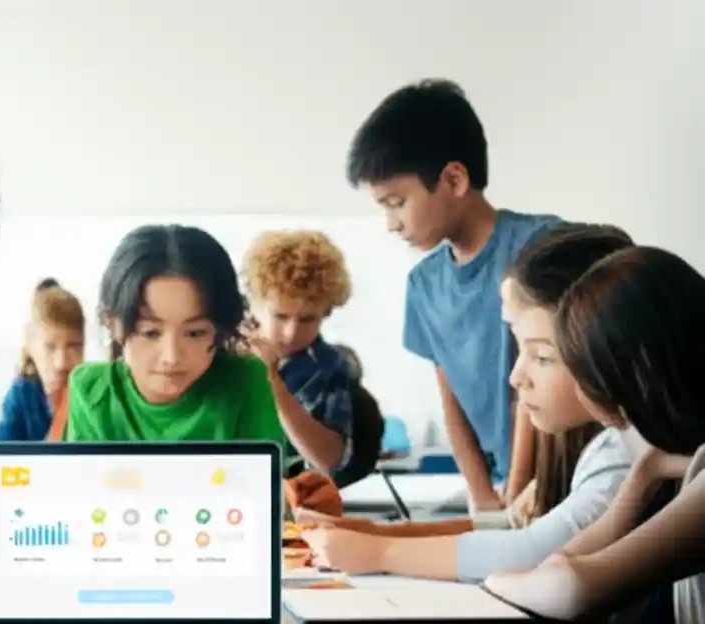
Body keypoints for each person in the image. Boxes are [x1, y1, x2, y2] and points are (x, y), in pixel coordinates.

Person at [303, 223, 634, 582]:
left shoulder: (623, 454)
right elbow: (506, 528)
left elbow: (530, 550)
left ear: (605, 350)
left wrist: (378, 551)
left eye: (541, 356)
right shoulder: (582, 449)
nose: (515, 377)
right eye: (519, 348)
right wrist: (368, 532)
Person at [484, 247, 705, 624]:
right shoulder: (665, 460)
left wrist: (496, 580)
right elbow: (564, 566)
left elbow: (572, 586)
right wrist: (642, 478)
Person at [347, 78, 562, 509]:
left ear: (454, 179)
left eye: (397, 203)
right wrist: (480, 493)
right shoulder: (424, 285)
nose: (391, 224)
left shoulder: (542, 247)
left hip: (560, 477)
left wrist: (521, 483)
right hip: (504, 488)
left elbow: (541, 376)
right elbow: (452, 401)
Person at [63, 225, 287, 446]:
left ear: (221, 327)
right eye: (150, 333)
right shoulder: (91, 390)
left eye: (195, 333)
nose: (172, 357)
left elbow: (264, 469)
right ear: (112, 323)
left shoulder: (246, 381)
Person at [241, 230, 354, 475]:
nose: (291, 333)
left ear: (325, 314)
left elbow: (329, 460)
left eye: (307, 319)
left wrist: (272, 381)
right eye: (280, 316)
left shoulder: (329, 367)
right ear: (253, 304)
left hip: (291, 492)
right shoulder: (218, 349)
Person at [0, 278, 86, 441]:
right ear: (31, 348)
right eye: (50, 348)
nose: (61, 363)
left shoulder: (94, 396)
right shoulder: (21, 394)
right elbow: (0, 452)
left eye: (74, 347)